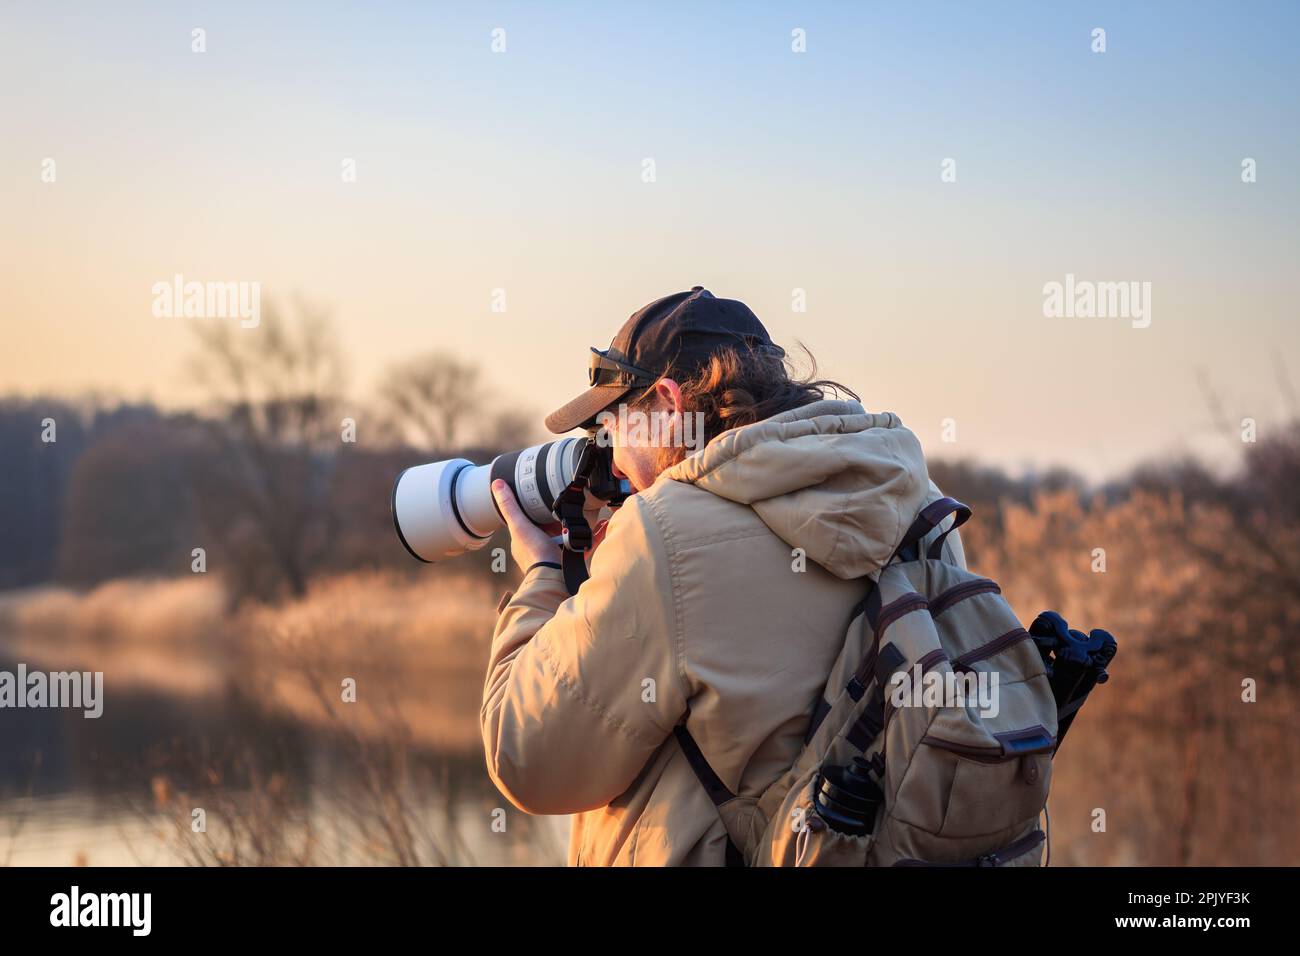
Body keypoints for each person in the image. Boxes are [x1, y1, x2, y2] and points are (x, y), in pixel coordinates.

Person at [482, 286, 964, 865]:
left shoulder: (665, 534)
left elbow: (527, 759)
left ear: (667, 405)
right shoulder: (915, 502)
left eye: (612, 429)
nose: (609, 460)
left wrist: (542, 574)